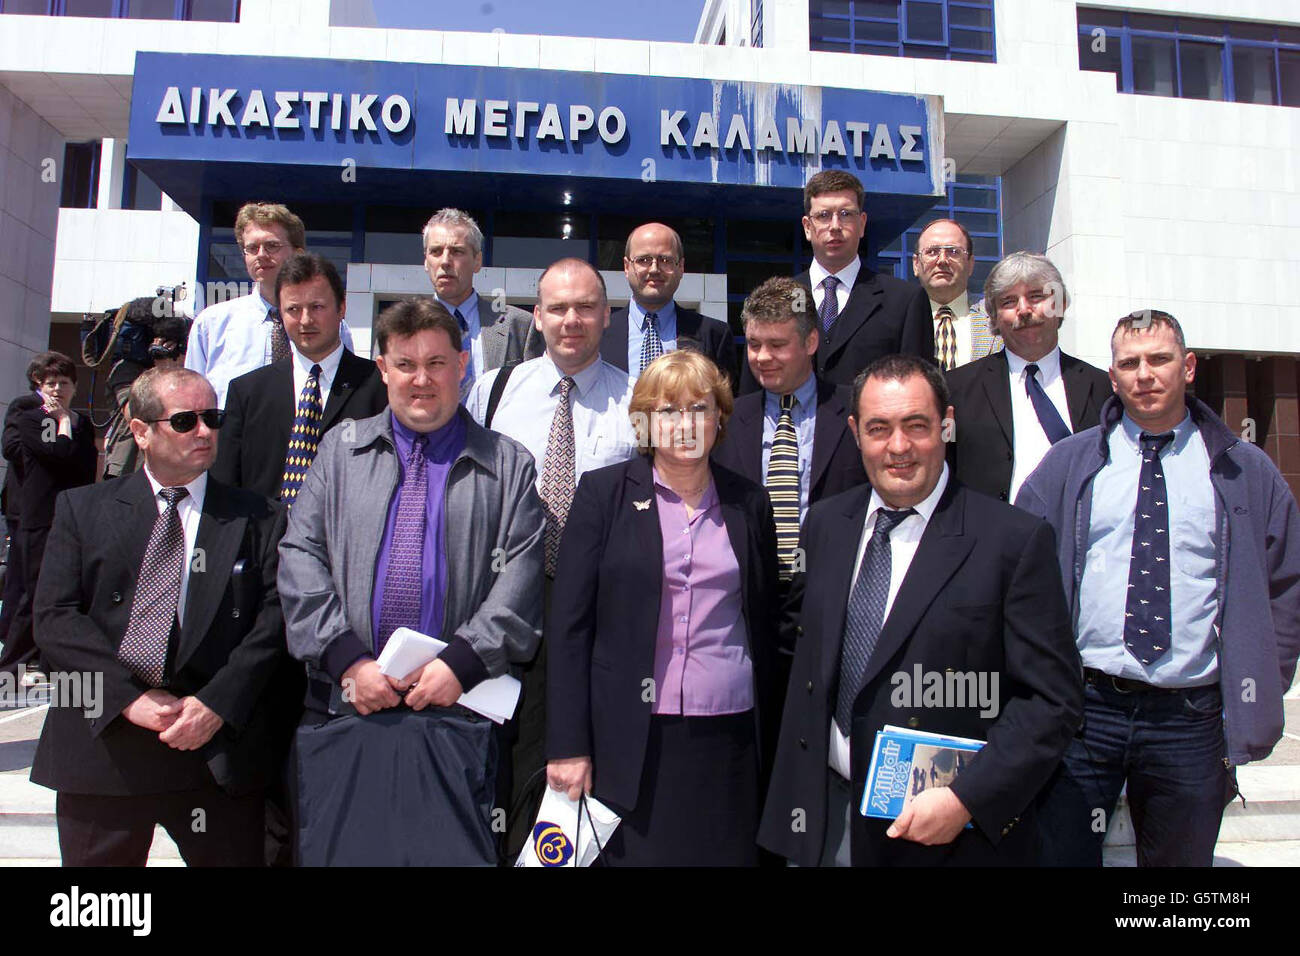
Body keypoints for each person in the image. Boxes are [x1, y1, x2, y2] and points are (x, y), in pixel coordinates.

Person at [757, 354, 1083, 867]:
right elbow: (796, 656)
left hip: (945, 834)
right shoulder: (823, 525)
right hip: (821, 820)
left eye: (917, 426)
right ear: (855, 432)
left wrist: (967, 799)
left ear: (947, 426)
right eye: (879, 428)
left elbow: (1052, 701)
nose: (899, 447)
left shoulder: (1012, 541)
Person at [1017, 310, 1300, 867]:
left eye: (1159, 359)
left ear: (1188, 367)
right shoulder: (1069, 463)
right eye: (1129, 363)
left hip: (1191, 719)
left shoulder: (1244, 469)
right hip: (1084, 712)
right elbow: (1018, 576)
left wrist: (1262, 673)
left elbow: (1285, 585)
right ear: (1113, 375)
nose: (1144, 374)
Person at [277, 297, 545, 866]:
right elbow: (300, 555)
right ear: (382, 368)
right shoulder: (339, 450)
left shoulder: (509, 464)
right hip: (349, 707)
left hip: (458, 712)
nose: (421, 380)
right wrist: (348, 660)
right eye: (405, 364)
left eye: (437, 363)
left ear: (463, 364)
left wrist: (461, 663)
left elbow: (521, 578)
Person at [30, 367, 287, 866]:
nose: (206, 432)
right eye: (187, 420)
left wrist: (216, 704)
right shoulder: (81, 510)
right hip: (103, 747)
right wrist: (129, 699)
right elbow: (55, 619)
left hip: (213, 753)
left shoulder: (260, 517)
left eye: (213, 418)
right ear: (141, 430)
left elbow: (274, 622)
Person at [547, 349, 782, 866]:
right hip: (631, 740)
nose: (684, 424)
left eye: (698, 409)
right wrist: (567, 744)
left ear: (719, 418)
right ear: (644, 421)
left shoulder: (750, 503)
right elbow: (569, 628)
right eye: (667, 411)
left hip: (731, 739)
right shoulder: (602, 495)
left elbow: (765, 617)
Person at [465, 257, 637, 846]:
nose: (572, 319)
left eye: (586, 306)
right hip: (505, 602)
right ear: (535, 316)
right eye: (558, 307)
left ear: (607, 316)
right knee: (500, 758)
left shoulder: (636, 401)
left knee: (579, 761)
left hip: (597, 612)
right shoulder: (492, 393)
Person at [712, 275, 867, 581]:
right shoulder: (726, 419)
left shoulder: (858, 411)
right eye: (754, 344)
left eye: (777, 345)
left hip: (833, 586)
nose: (762, 357)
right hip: (751, 593)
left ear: (811, 342)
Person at [739, 171, 932, 394]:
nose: (834, 226)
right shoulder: (776, 298)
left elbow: (918, 391)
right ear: (807, 227)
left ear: (862, 224)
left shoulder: (904, 301)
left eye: (845, 214)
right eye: (823, 215)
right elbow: (751, 397)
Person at [214, 253, 387, 503]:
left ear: (342, 307)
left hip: (345, 538)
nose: (305, 320)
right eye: (293, 309)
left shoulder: (379, 385)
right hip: (264, 538)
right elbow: (225, 484)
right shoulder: (247, 392)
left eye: (317, 307)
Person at [945, 251, 1112, 503]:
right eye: (1009, 302)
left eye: (1036, 296)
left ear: (1060, 304)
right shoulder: (955, 388)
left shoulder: (1102, 388)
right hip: (993, 535)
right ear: (994, 317)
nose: (1024, 310)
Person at [186, 201, 353, 407]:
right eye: (252, 248)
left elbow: (345, 396)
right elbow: (191, 402)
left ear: (298, 253)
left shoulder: (330, 325)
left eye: (272, 246)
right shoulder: (211, 324)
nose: (261, 255)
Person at [0, 352, 97, 684]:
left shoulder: (83, 423)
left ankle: (48, 663)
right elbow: (58, 454)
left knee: (67, 592)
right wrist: (64, 423)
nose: (57, 390)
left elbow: (84, 465)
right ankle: (10, 666)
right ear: (39, 386)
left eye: (65, 383)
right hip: (40, 516)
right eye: (51, 383)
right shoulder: (32, 418)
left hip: (73, 514)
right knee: (33, 592)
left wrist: (70, 424)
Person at [423, 207, 543, 399]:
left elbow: (535, 398)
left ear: (477, 261)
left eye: (457, 251)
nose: (445, 261)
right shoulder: (400, 326)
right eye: (436, 251)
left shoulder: (519, 325)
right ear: (426, 262)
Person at [601, 222, 738, 388]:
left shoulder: (714, 335)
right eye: (643, 260)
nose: (654, 269)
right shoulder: (598, 334)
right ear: (626, 267)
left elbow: (727, 407)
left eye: (665, 260)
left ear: (680, 267)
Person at [103, 308, 191, 481]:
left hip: (172, 463)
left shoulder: (181, 369)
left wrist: (176, 367)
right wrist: (161, 371)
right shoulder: (125, 370)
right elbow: (132, 411)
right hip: (129, 466)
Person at [911, 218, 1002, 370]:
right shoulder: (897, 318)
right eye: (932, 252)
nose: (942, 260)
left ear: (970, 264)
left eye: (953, 252)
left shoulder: (998, 317)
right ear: (916, 264)